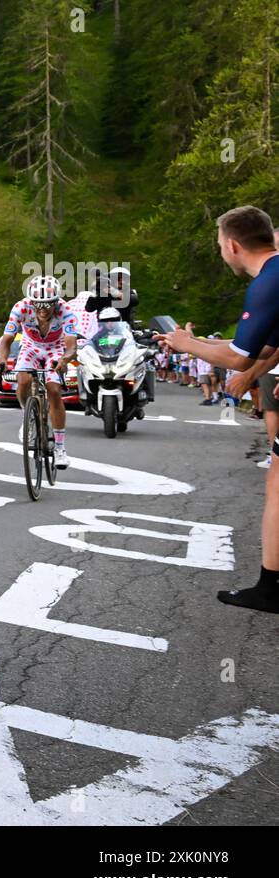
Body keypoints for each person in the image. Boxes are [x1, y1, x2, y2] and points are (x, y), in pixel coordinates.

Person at [160, 205, 279, 613]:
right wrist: (189, 344)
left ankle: (272, 588)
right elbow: (262, 349)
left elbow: (241, 358)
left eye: (219, 246)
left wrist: (186, 344)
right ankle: (272, 583)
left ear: (232, 245)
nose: (220, 253)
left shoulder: (268, 282)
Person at [0, 275, 79, 469]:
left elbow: (71, 345)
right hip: (30, 346)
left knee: (54, 390)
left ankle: (59, 447)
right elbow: (7, 339)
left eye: (48, 305)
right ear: (31, 302)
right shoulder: (20, 307)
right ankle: (28, 414)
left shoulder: (65, 310)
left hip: (56, 348)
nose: (42, 310)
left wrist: (65, 359)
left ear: (56, 301)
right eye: (38, 305)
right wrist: (2, 361)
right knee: (23, 379)